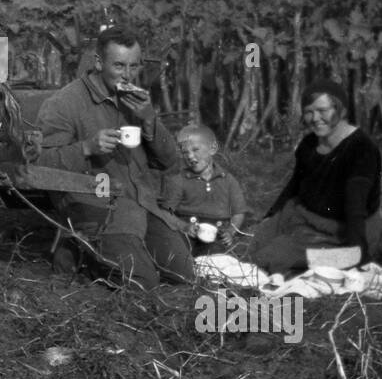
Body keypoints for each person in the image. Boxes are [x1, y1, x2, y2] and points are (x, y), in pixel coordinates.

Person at [37, 26, 181, 289]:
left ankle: (116, 254)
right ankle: (76, 252)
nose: (128, 75)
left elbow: (170, 161)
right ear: (99, 63)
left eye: (134, 66)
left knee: (183, 275)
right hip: (97, 210)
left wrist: (149, 118)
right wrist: (86, 148)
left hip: (143, 204)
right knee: (142, 284)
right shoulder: (65, 103)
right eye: (119, 66)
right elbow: (39, 164)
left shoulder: (135, 100)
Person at [251, 79, 382, 275]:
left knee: (268, 258)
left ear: (341, 110)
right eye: (309, 112)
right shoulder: (309, 143)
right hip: (305, 217)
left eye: (323, 110)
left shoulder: (361, 149)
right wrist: (271, 215)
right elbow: (295, 183)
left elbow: (356, 205)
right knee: (251, 244)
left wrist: (358, 254)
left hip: (343, 232)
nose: (315, 118)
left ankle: (342, 258)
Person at [158, 125, 248, 280]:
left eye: (195, 150)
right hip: (187, 231)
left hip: (216, 234)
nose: (190, 157)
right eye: (185, 152)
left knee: (220, 259)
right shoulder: (179, 179)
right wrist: (183, 226)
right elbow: (167, 212)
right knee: (176, 256)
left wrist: (231, 232)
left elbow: (238, 211)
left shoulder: (227, 180)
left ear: (212, 148)